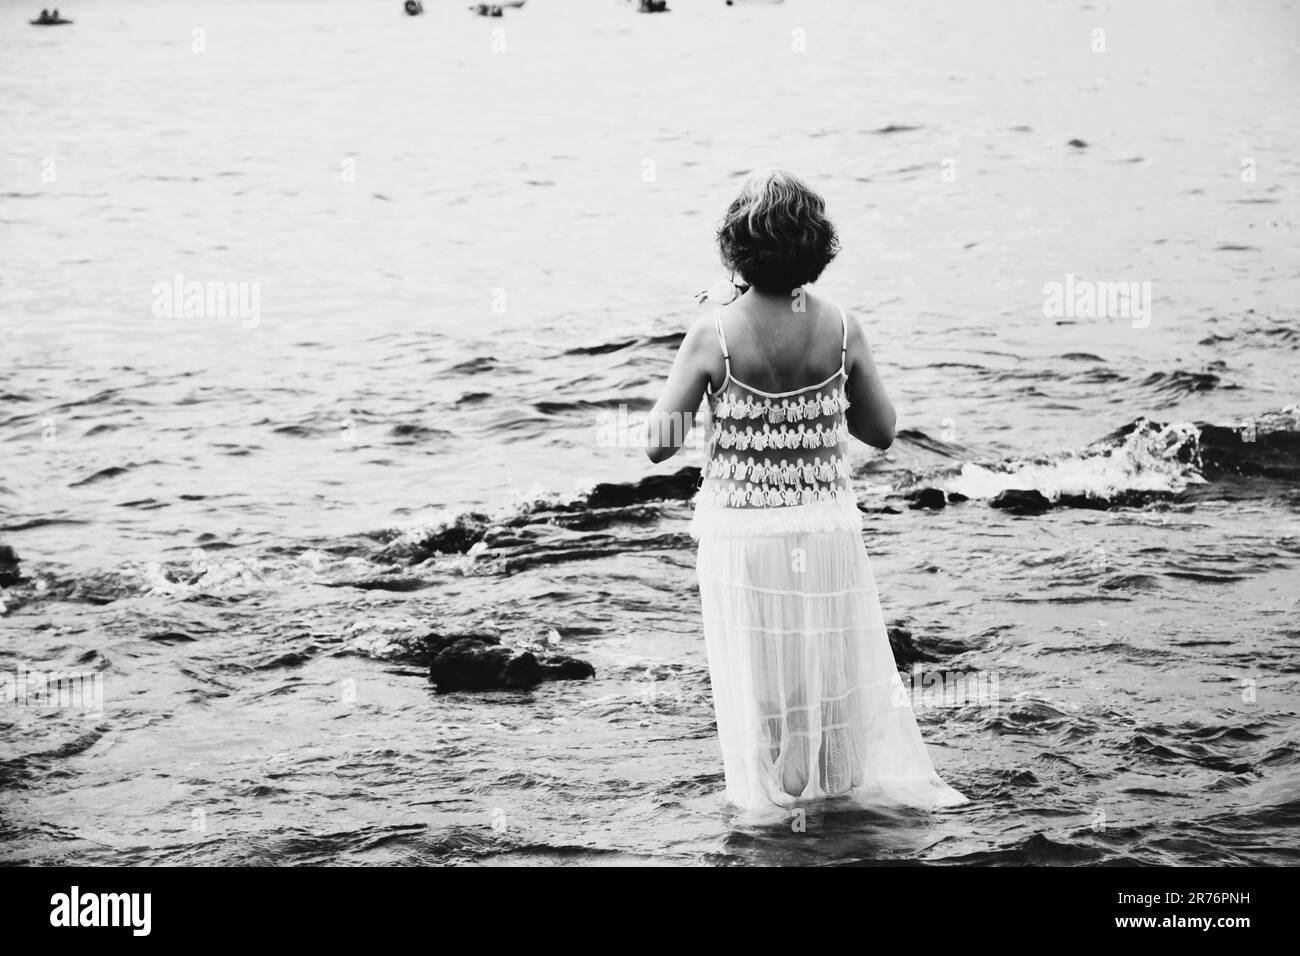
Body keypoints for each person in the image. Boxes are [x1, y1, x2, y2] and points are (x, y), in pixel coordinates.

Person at [645, 168, 967, 816]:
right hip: (825, 533)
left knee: (763, 690)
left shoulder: (714, 333)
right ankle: (838, 818)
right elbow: (880, 431)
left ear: (735, 248)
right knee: (834, 684)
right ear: (816, 247)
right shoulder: (842, 329)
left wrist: (712, 334)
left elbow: (659, 440)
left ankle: (776, 820)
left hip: (745, 541)